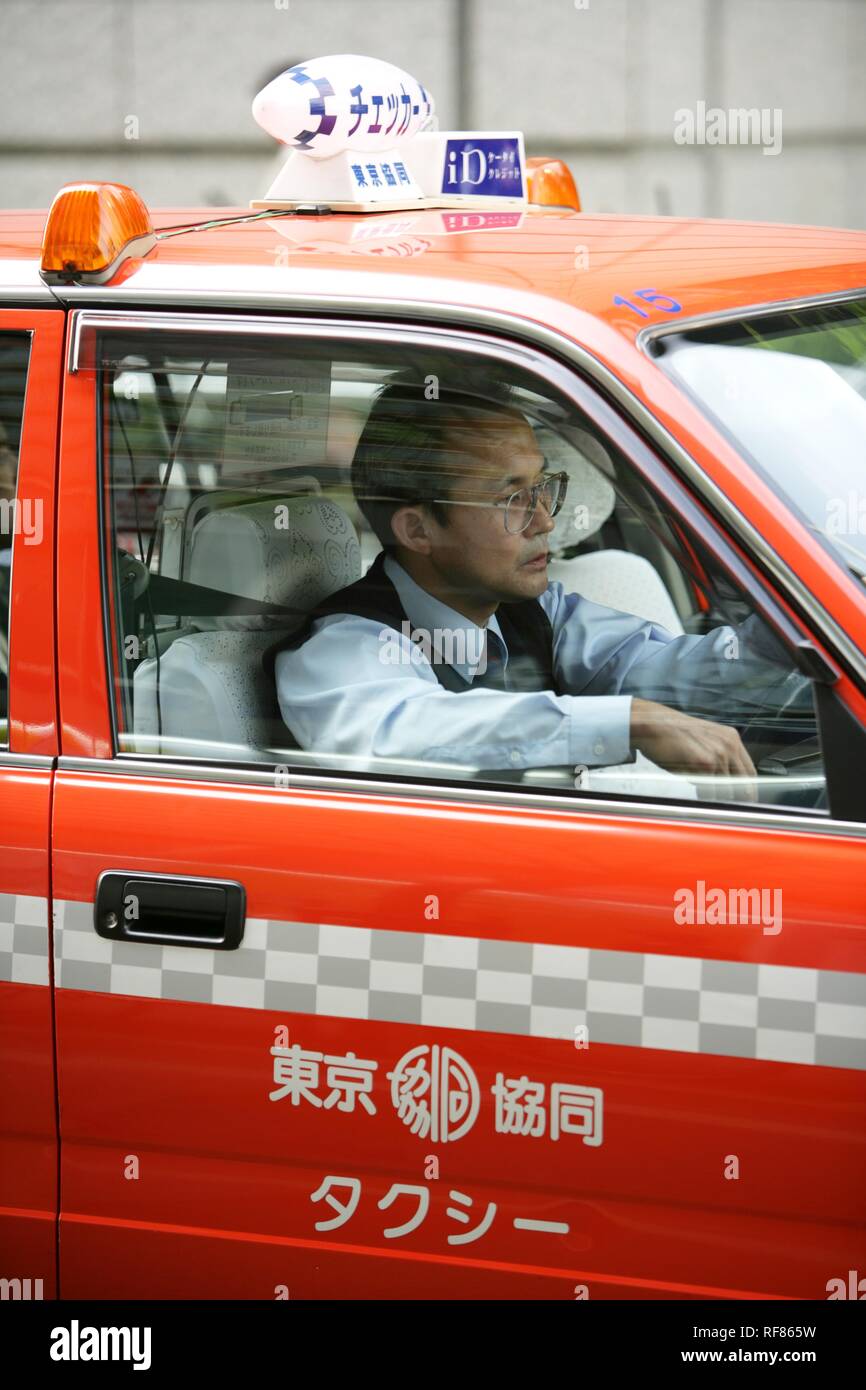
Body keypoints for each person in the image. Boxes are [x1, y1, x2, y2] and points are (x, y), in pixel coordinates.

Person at [269, 379, 798, 785]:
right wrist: (628, 721)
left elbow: (675, 674)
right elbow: (405, 733)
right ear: (418, 528)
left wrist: (804, 627)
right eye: (510, 498)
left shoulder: (539, 610)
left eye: (541, 487)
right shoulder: (343, 646)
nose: (544, 520)